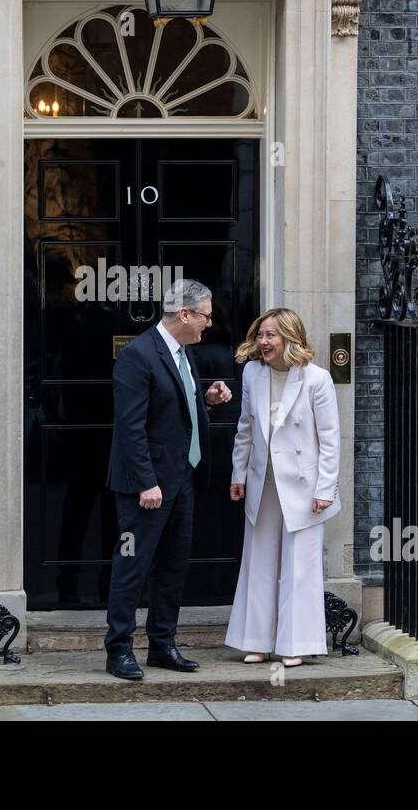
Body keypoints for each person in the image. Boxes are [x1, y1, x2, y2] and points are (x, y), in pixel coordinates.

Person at [103, 278, 232, 680]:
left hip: (182, 478)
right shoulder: (138, 355)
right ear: (185, 314)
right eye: (206, 317)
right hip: (147, 485)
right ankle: (119, 649)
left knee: (173, 566)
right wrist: (146, 483)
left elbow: (174, 409)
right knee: (132, 565)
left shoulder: (183, 353)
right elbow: (130, 428)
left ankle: (162, 644)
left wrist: (206, 400)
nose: (209, 324)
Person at [225, 307, 340, 665]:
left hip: (305, 487)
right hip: (264, 481)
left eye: (270, 335)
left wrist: (325, 489)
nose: (263, 341)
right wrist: (238, 474)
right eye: (260, 334)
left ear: (289, 337)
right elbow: (245, 427)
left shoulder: (316, 378)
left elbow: (330, 438)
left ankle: (297, 645)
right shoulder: (252, 373)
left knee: (300, 566)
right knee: (258, 561)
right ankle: (256, 641)